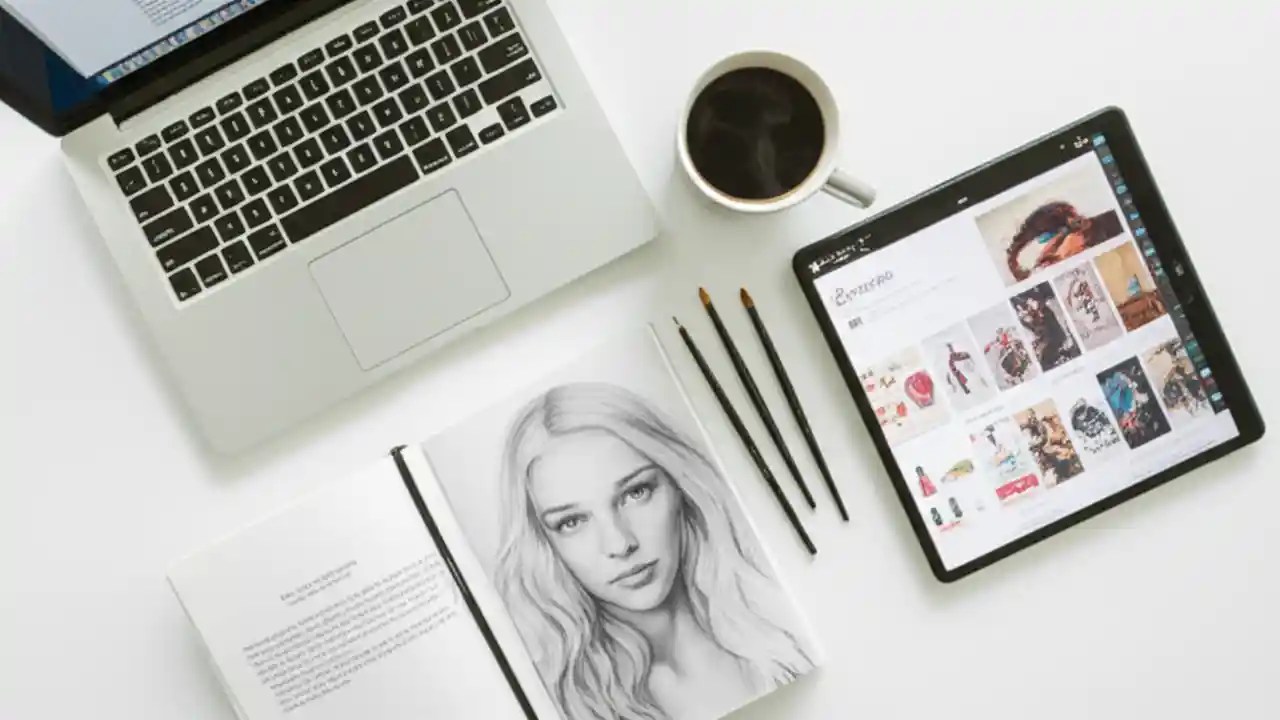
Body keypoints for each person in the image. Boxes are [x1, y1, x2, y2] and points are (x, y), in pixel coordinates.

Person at [494, 383, 813, 720]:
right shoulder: (564, 701)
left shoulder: (779, 628)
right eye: (572, 522)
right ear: (544, 543)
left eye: (636, 492)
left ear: (680, 486)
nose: (620, 544)